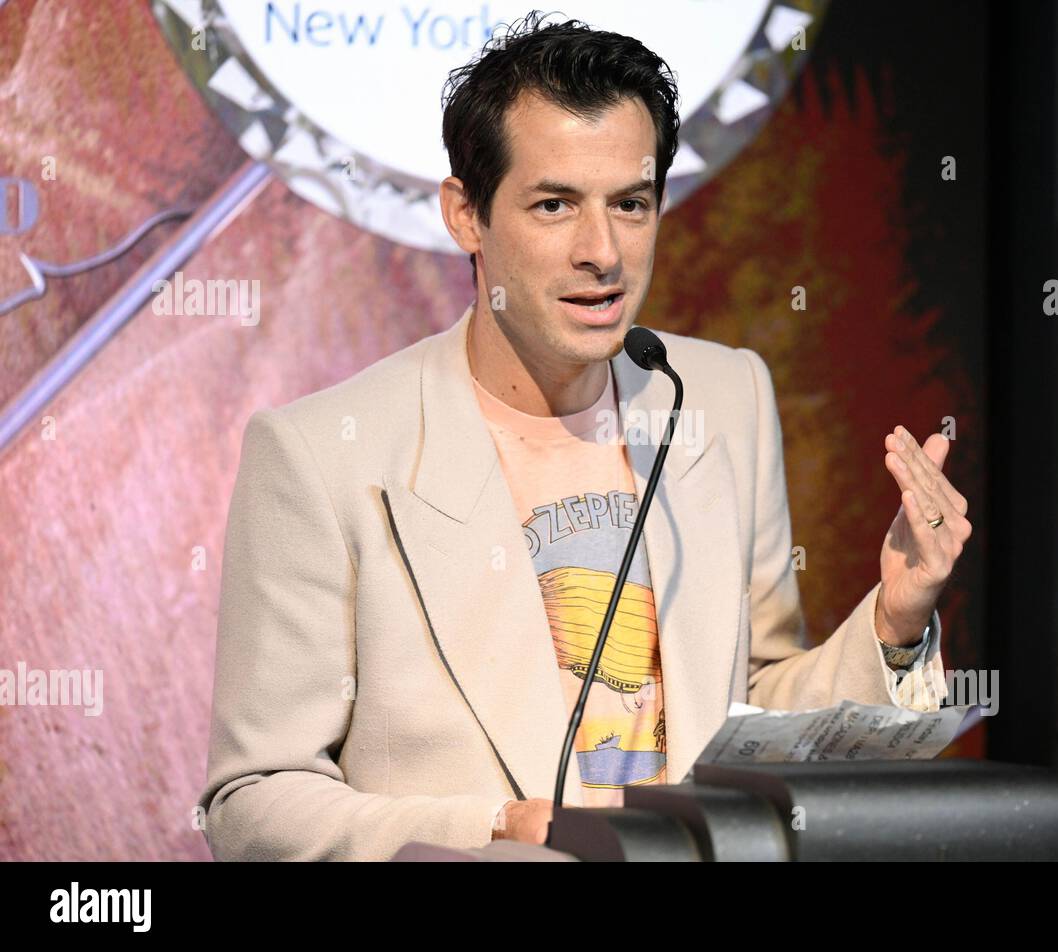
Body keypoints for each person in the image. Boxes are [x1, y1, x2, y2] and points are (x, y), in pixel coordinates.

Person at [197, 12, 970, 861]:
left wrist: (894, 623)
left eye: (630, 204)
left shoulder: (720, 398)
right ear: (465, 214)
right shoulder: (322, 455)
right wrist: (489, 828)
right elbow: (254, 800)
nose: (602, 252)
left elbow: (747, 710)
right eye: (555, 204)